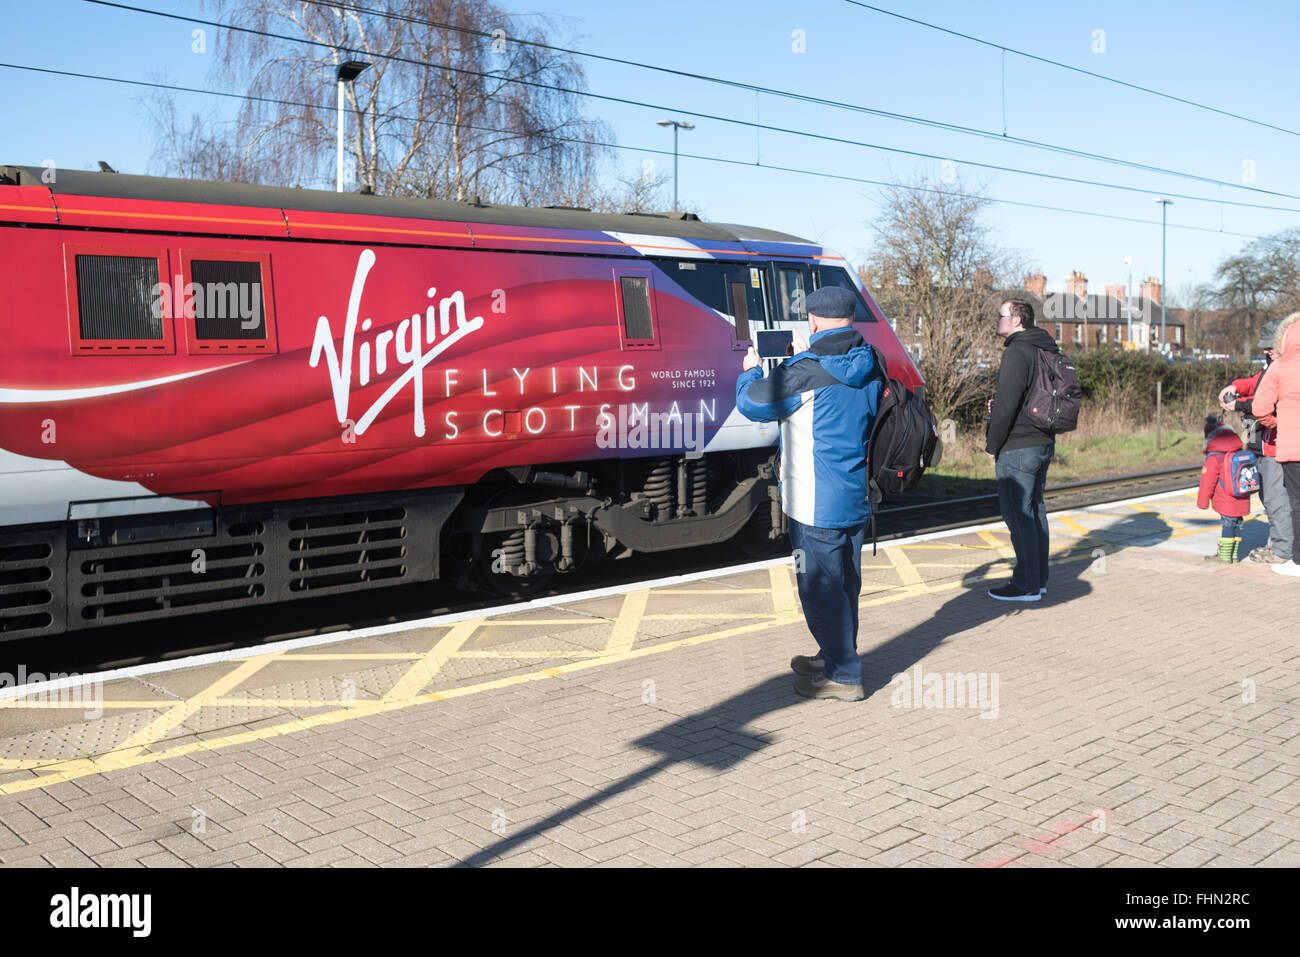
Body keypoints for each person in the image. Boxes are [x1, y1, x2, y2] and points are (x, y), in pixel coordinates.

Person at [735, 286, 883, 701]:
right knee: (845, 586)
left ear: (813, 321)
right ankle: (834, 654)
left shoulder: (804, 371)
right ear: (851, 319)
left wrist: (751, 370)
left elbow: (752, 403)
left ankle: (844, 676)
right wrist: (804, 358)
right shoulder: (871, 360)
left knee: (819, 589)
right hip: (855, 495)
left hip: (814, 503)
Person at [985, 298, 1059, 602]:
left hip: (1018, 445)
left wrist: (992, 443)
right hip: (1043, 441)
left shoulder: (1017, 351)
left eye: (1001, 315)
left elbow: (1007, 405)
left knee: (1018, 514)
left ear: (1017, 320)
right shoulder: (1046, 348)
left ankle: (1026, 584)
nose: (997, 321)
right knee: (1035, 510)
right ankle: (1038, 579)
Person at [1219, 319, 1290, 564]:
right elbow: (1256, 382)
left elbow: (1269, 402)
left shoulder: (1288, 368)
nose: (1267, 350)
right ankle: (1279, 544)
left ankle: (1282, 551)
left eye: (1271, 345)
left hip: (1274, 445)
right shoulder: (1272, 365)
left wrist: (1239, 404)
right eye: (1265, 346)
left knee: (1276, 499)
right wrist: (1236, 386)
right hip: (1262, 442)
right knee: (1268, 497)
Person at [1251, 311, 1300, 578]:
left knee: (1297, 503)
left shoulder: (1280, 367)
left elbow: (1260, 408)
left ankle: (1298, 562)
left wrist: (1276, 423)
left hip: (1293, 447)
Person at [1197, 417, 1250, 562]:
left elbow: (1207, 482)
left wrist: (1202, 503)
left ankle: (1225, 557)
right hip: (1242, 498)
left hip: (1225, 500)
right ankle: (1234, 555)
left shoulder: (1214, 457)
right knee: (1237, 525)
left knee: (1227, 526)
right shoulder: (1240, 452)